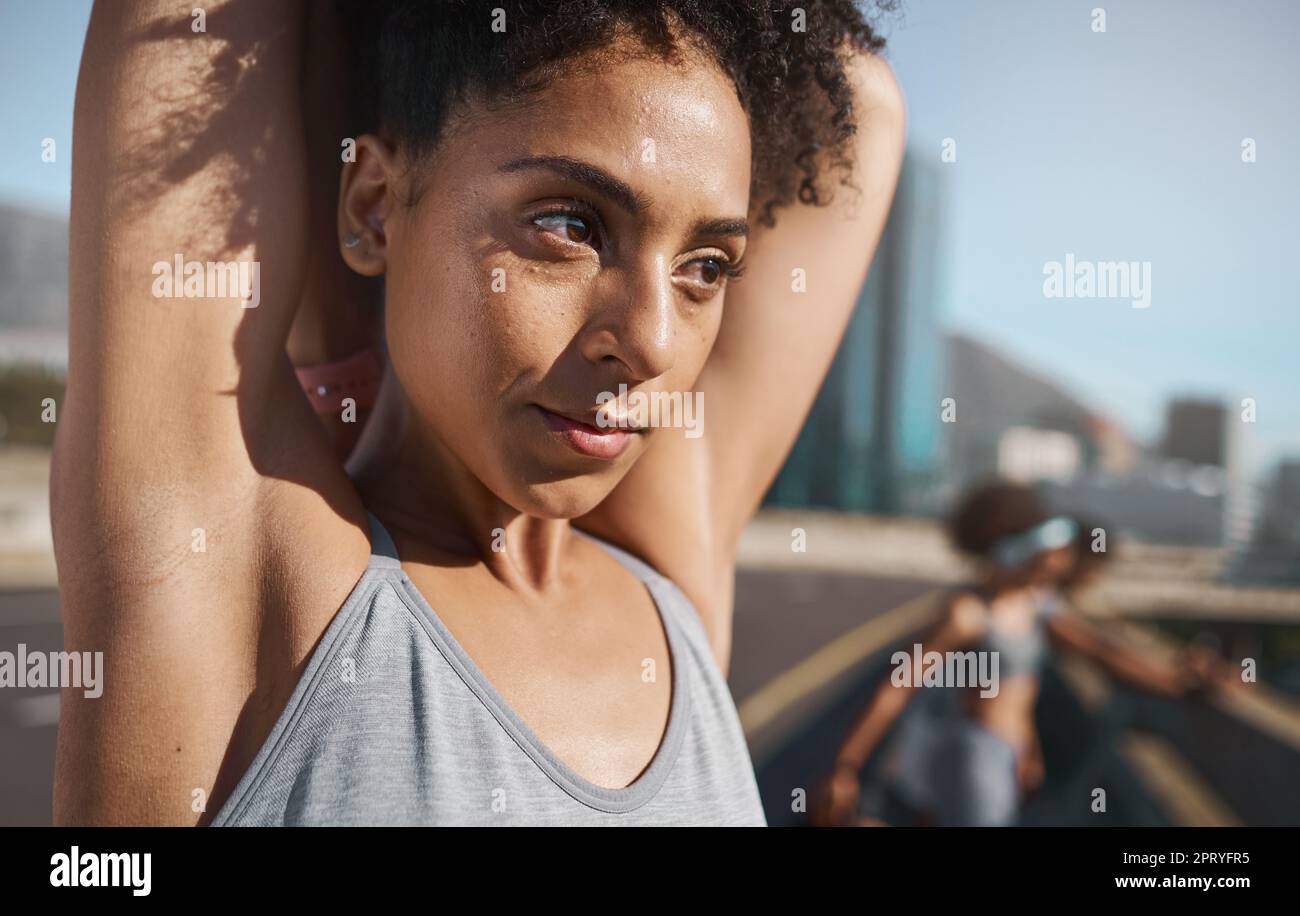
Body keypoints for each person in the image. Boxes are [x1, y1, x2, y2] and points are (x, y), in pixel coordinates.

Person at [52, 0, 906, 825]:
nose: (651, 343)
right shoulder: (239, 576)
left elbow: (855, 96)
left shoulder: (665, 578)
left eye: (707, 266)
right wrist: (335, 336)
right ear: (374, 205)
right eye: (572, 224)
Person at [812, 481, 1227, 827]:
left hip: (1006, 758)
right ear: (1012, 548)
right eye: (1046, 546)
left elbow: (1099, 651)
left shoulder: (1036, 605)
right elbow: (898, 687)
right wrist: (845, 768)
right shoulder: (968, 614)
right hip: (972, 758)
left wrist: (1175, 683)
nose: (1058, 560)